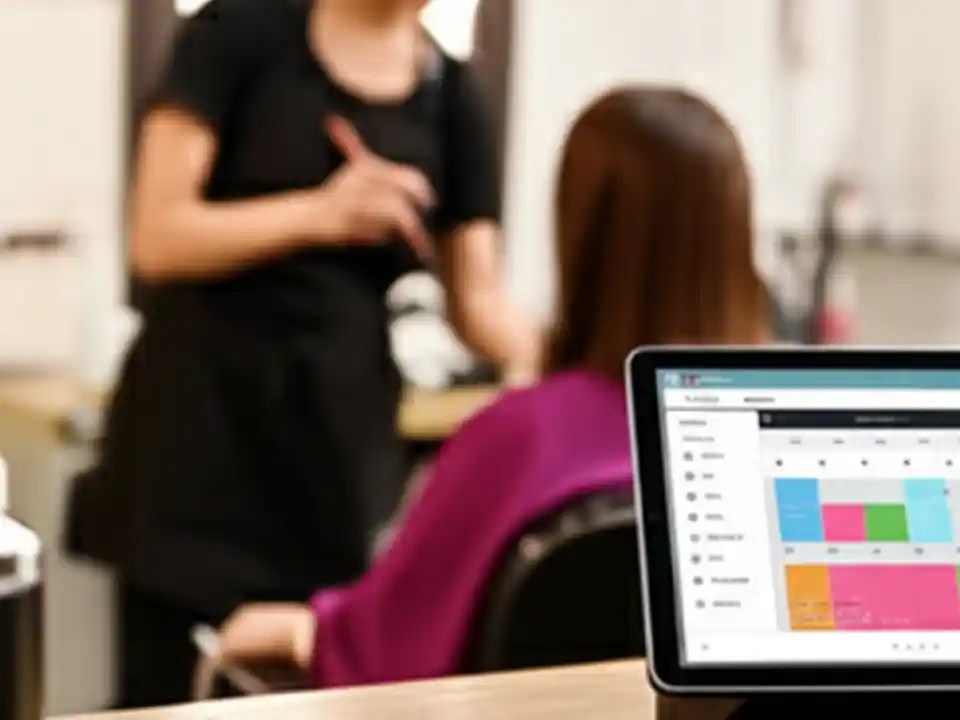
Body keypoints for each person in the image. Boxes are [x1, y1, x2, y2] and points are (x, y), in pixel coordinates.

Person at [213, 87, 770, 686]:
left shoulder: (520, 437)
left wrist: (301, 630)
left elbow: (384, 649)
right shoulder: (780, 445)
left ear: (582, 229)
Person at [70, 0, 540, 707]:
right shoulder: (234, 33)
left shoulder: (452, 95)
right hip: (195, 450)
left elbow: (478, 303)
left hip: (333, 466)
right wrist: (325, 213)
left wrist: (577, 371)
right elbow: (158, 234)